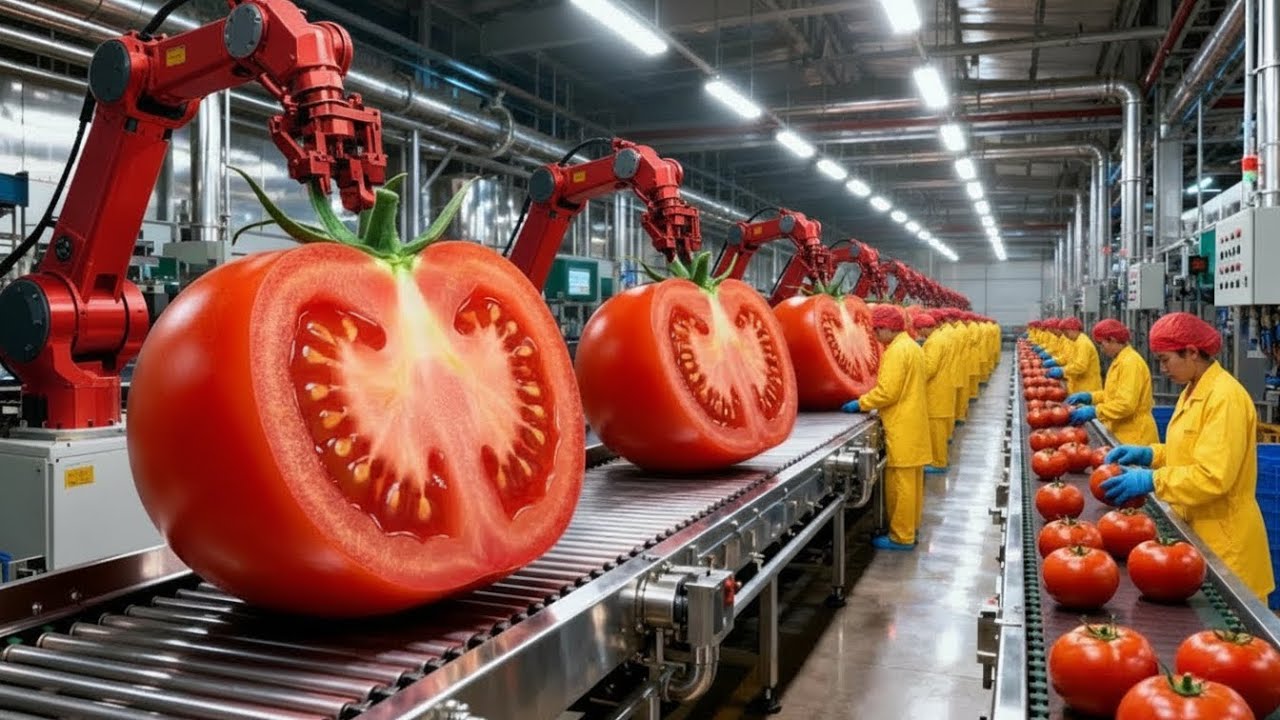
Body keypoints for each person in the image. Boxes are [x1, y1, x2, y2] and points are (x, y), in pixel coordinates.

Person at [1102, 312, 1275, 602]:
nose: (1162, 369)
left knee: (1230, 636)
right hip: (1196, 527)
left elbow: (1213, 476)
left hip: (1226, 542)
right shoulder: (1193, 389)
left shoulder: (1225, 398)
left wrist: (1152, 479)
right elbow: (1188, 450)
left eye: (1165, 360)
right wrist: (1151, 454)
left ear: (1192, 352)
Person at [843, 304, 932, 550]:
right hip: (913, 422)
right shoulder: (912, 347)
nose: (874, 336)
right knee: (912, 484)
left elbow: (887, 392)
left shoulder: (896, 351)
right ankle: (910, 529)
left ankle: (901, 537)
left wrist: (860, 403)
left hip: (902, 425)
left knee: (900, 486)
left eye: (876, 331)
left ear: (887, 328)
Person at [1066, 319, 1159, 445]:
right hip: (1121, 430)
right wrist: (1091, 397)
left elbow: (1125, 405)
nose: (1101, 350)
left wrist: (1096, 411)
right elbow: (1113, 394)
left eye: (1102, 344)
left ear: (1112, 340)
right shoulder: (1119, 360)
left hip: (1135, 435)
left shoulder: (1130, 363)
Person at [913, 311, 952, 474]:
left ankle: (938, 463)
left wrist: (913, 376)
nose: (918, 334)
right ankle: (938, 460)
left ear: (924, 328)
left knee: (936, 431)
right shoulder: (940, 337)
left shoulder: (933, 343)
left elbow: (929, 368)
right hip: (942, 389)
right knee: (938, 431)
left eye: (919, 330)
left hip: (936, 392)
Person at [1058, 316, 1103, 395]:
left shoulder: (1083, 343)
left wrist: (1062, 371)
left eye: (1066, 333)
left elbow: (1080, 366)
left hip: (1087, 388)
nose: (1065, 336)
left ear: (1073, 329)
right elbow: (1070, 359)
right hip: (1079, 385)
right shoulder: (1075, 341)